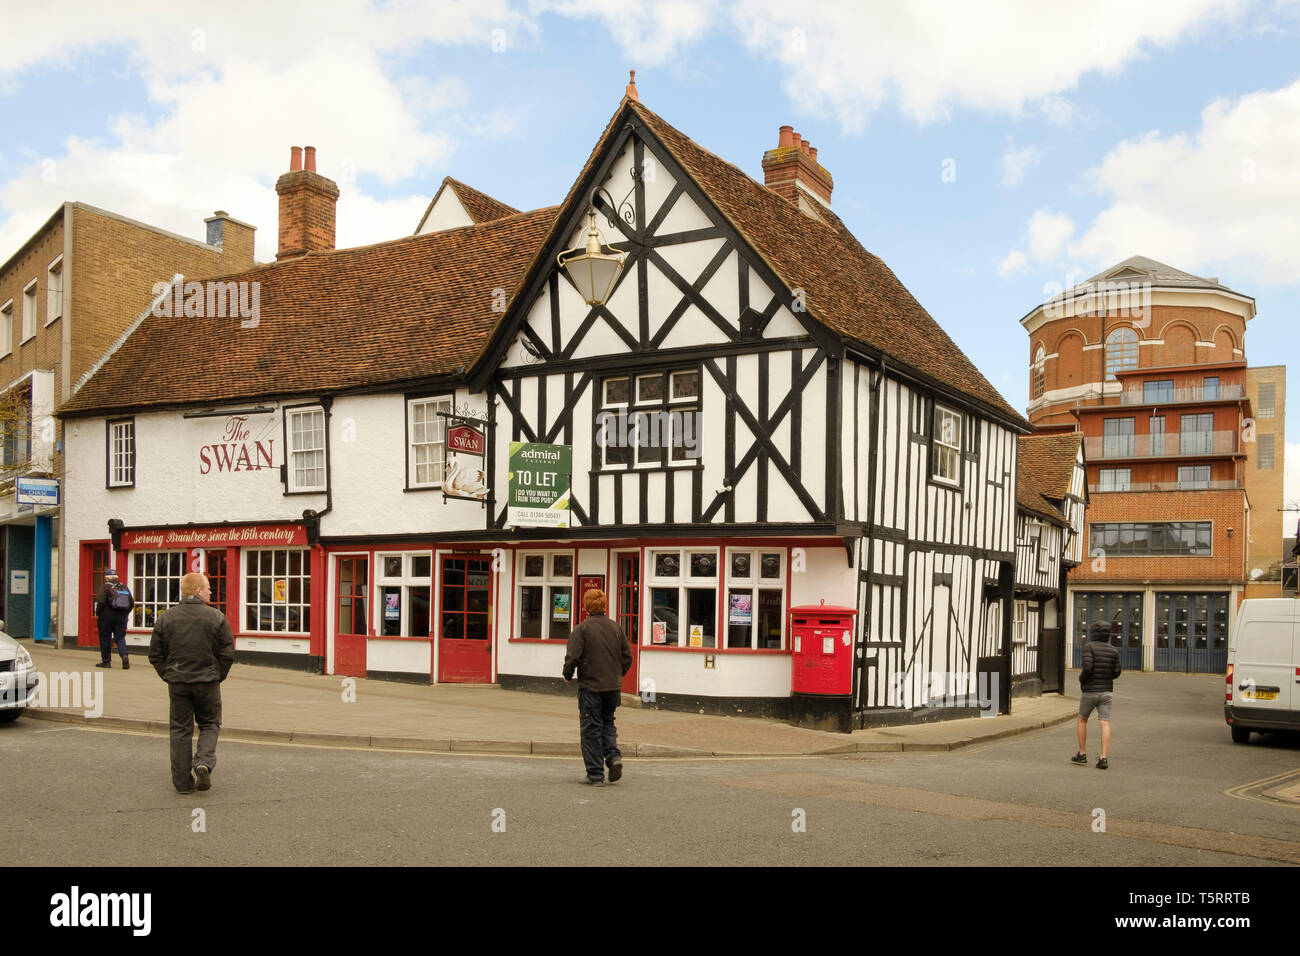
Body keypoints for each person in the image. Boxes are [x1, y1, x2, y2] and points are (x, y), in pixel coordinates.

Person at [147, 572, 235, 794]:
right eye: (207, 588)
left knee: (179, 730)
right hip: (207, 682)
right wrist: (218, 675)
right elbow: (227, 652)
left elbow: (155, 654)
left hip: (178, 682)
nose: (211, 591)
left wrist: (168, 674)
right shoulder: (216, 617)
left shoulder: (166, 618)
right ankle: (203, 762)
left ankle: (183, 784)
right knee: (210, 724)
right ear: (197, 591)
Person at [562, 588, 632, 785]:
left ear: (586, 606)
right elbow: (627, 657)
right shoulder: (616, 628)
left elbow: (572, 657)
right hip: (613, 687)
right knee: (608, 723)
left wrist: (567, 675)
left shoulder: (581, 629)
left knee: (591, 728)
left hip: (591, 688)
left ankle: (595, 774)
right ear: (604, 605)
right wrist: (617, 674)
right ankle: (613, 757)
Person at [1073, 620, 1122, 770]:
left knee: (1082, 720)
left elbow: (1087, 667)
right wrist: (1106, 677)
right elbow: (1117, 672)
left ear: (1093, 633)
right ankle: (1103, 757)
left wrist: (1082, 679)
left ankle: (1082, 754)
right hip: (1107, 691)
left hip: (1090, 691)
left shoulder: (1089, 647)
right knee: (1105, 722)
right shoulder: (1113, 650)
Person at [94, 569, 135, 669]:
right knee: (120, 637)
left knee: (105, 638)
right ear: (116, 577)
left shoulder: (105, 587)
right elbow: (131, 602)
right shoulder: (123, 586)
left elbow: (101, 602)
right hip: (121, 617)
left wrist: (98, 613)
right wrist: (125, 614)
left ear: (107, 578)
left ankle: (106, 662)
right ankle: (124, 655)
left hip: (106, 617)